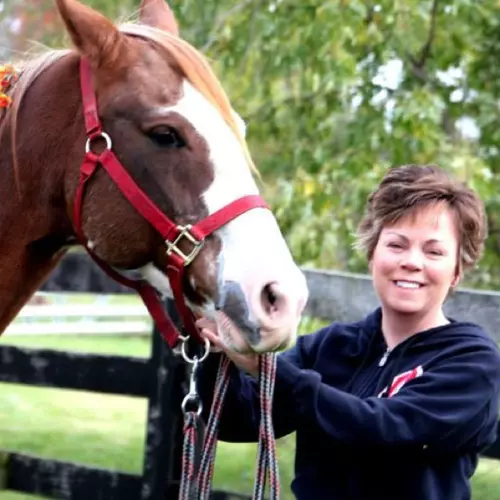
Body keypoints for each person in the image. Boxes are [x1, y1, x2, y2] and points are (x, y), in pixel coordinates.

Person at [196, 164, 500, 500]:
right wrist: (216, 351)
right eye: (396, 245)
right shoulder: (331, 346)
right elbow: (240, 419)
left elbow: (385, 429)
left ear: (457, 270)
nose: (412, 261)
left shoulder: (471, 362)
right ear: (373, 254)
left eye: (434, 251)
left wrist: (266, 367)